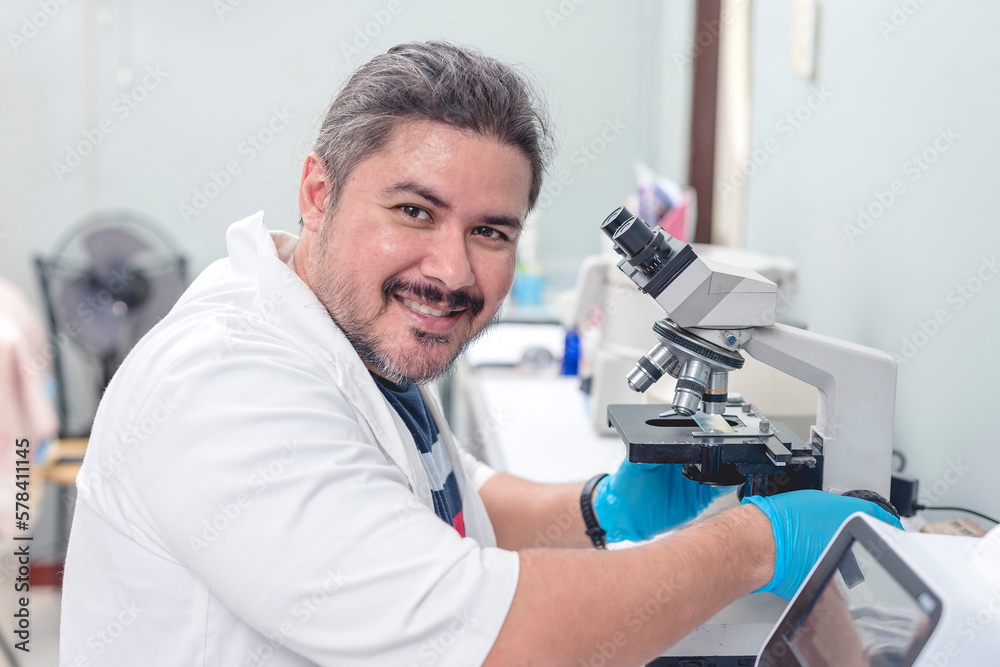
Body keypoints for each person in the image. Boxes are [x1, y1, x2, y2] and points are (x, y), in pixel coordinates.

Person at [60, 41, 900, 666]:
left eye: (490, 231)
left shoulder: (343, 333)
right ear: (320, 192)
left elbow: (446, 490)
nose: (452, 271)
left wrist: (603, 510)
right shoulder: (227, 388)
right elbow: (498, 634)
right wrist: (759, 542)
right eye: (415, 211)